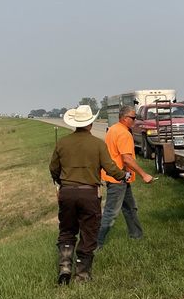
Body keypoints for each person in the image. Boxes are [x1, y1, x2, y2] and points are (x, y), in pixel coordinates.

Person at [49, 104, 129, 285]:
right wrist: (123, 175)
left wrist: (61, 183)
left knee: (67, 230)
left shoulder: (62, 143)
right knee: (88, 232)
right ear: (91, 123)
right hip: (89, 194)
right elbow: (110, 168)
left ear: (74, 123)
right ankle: (82, 274)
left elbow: (53, 168)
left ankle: (65, 266)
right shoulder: (98, 144)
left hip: (67, 193)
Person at [97, 105, 155, 248]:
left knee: (130, 208)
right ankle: (96, 244)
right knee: (111, 213)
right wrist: (144, 174)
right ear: (124, 118)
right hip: (118, 179)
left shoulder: (113, 129)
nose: (135, 120)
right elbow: (127, 159)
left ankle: (136, 236)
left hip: (120, 177)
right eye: (133, 118)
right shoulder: (124, 133)